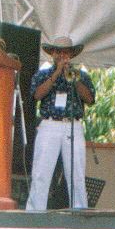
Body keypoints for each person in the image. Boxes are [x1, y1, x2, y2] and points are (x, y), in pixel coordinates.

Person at [26, 36, 96, 211]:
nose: (62, 55)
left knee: (76, 173)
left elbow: (89, 99)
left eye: (65, 52)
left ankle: (79, 212)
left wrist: (73, 78)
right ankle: (35, 213)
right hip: (49, 125)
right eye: (58, 52)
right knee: (41, 173)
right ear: (52, 54)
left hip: (73, 125)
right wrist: (57, 73)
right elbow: (37, 95)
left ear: (71, 55)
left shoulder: (81, 75)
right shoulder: (43, 74)